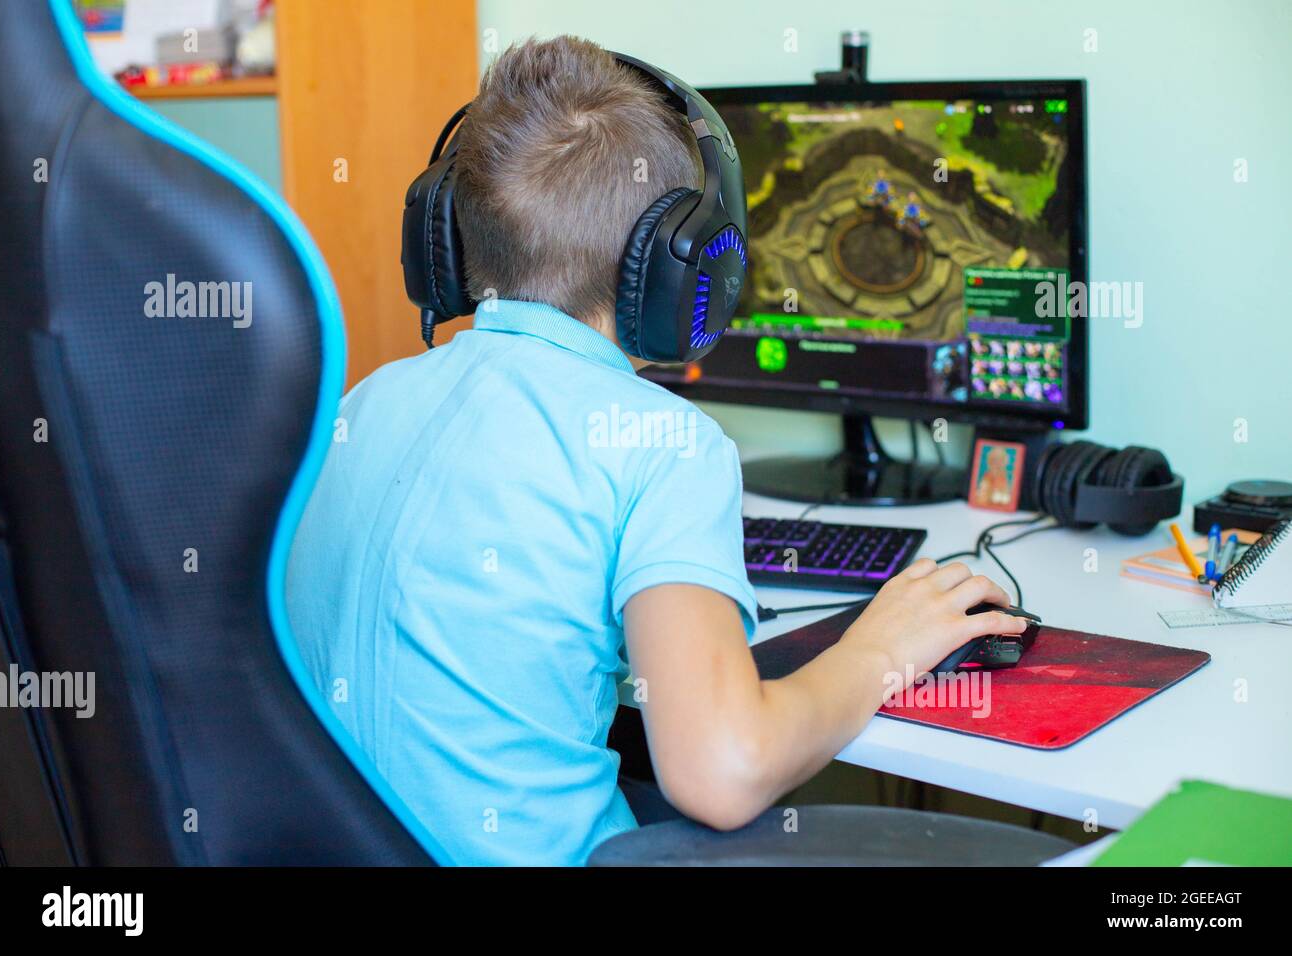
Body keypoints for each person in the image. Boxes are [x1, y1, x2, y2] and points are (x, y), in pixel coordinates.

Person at [285, 35, 1027, 866]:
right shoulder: (661, 441)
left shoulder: (365, 401)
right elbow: (722, 772)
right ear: (690, 266)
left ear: (449, 239)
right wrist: (882, 648)